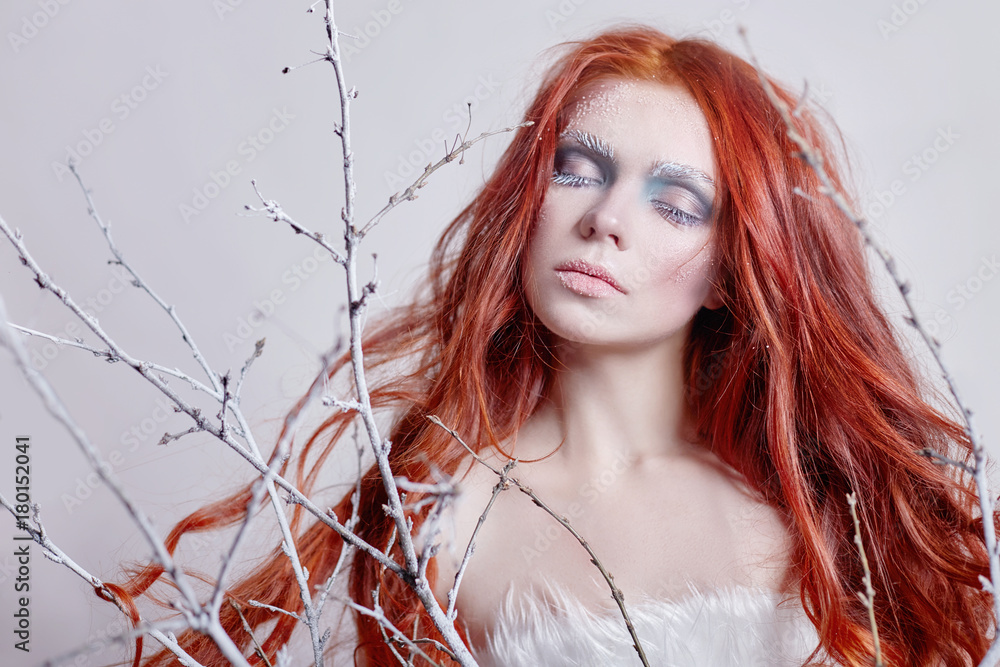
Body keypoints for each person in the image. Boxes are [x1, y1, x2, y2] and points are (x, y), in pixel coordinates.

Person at [119, 24, 997, 667]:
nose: (604, 220)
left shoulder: (813, 495)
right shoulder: (444, 517)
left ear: (734, 269)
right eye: (577, 169)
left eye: (675, 203)